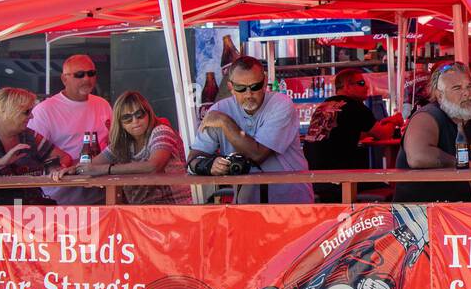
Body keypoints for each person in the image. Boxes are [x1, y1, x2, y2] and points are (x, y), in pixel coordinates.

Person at [188, 55, 313, 204]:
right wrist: (208, 165)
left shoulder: (281, 104)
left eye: (255, 87)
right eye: (241, 88)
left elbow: (257, 154)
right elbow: (193, 159)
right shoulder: (219, 109)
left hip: (291, 203)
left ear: (265, 82)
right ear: (230, 88)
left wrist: (225, 122)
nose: (249, 94)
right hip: (246, 207)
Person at [395, 62, 471, 203]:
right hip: (421, 213)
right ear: (440, 95)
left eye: (470, 86)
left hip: (464, 211)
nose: (467, 93)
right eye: (457, 88)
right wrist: (464, 164)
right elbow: (418, 156)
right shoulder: (427, 117)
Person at [30, 54, 112, 205]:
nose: (86, 79)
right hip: (61, 198)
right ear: (64, 79)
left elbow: (113, 143)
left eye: (91, 73)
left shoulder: (102, 104)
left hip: (102, 193)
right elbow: (33, 154)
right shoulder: (44, 110)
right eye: (79, 75)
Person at [83, 92, 191, 204]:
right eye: (127, 118)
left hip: (177, 207)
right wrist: (72, 170)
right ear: (120, 123)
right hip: (143, 211)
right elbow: (92, 165)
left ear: (148, 113)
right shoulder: (122, 143)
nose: (135, 121)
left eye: (139, 114)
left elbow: (154, 166)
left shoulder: (161, 131)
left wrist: (107, 169)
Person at [302, 68, 378, 202]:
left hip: (312, 180)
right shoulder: (356, 107)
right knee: (387, 185)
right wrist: (394, 120)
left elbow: (337, 135)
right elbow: (382, 133)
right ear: (347, 86)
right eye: (361, 83)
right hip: (340, 180)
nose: (366, 87)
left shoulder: (323, 106)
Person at [0, 88, 72, 204]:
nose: (31, 116)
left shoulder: (28, 135)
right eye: (26, 112)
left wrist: (54, 168)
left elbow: (64, 157)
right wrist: (1, 162)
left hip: (27, 205)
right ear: (6, 111)